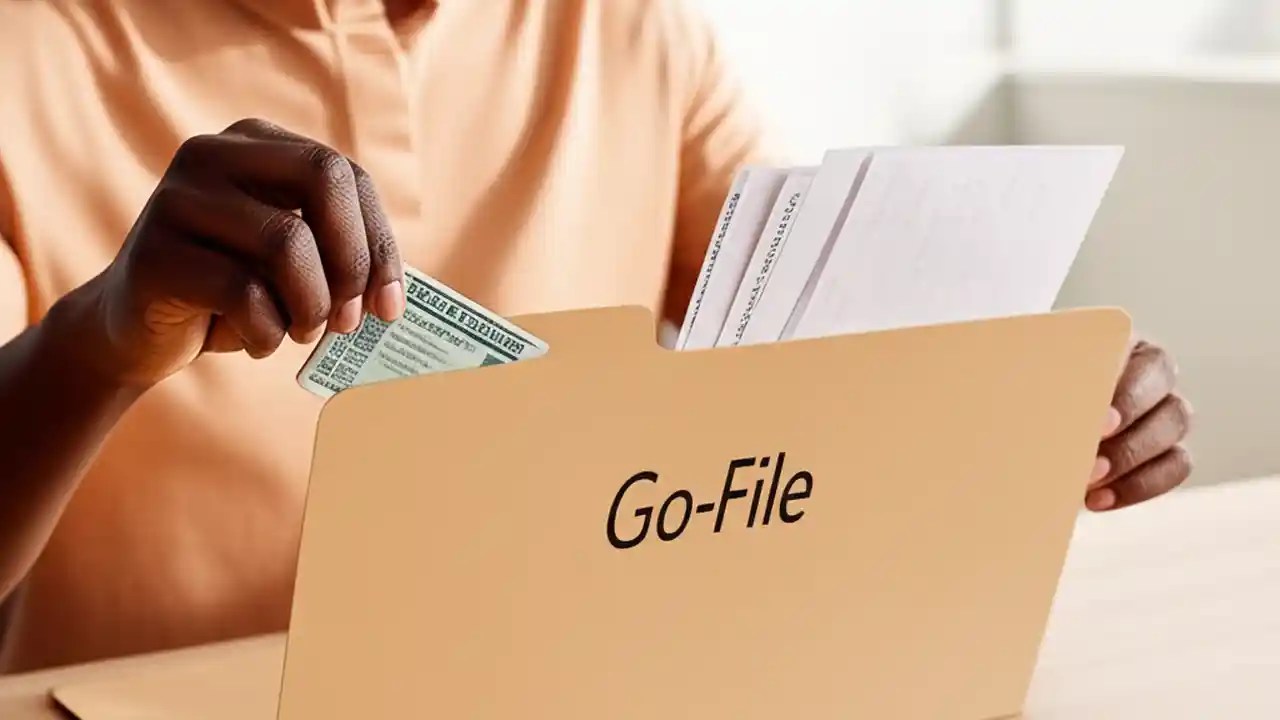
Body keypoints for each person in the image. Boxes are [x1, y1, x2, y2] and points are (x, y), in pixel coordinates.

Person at [0, 0, 1192, 673]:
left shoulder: (627, 30)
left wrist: (1039, 402)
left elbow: (828, 359)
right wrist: (102, 338)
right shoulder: (26, 49)